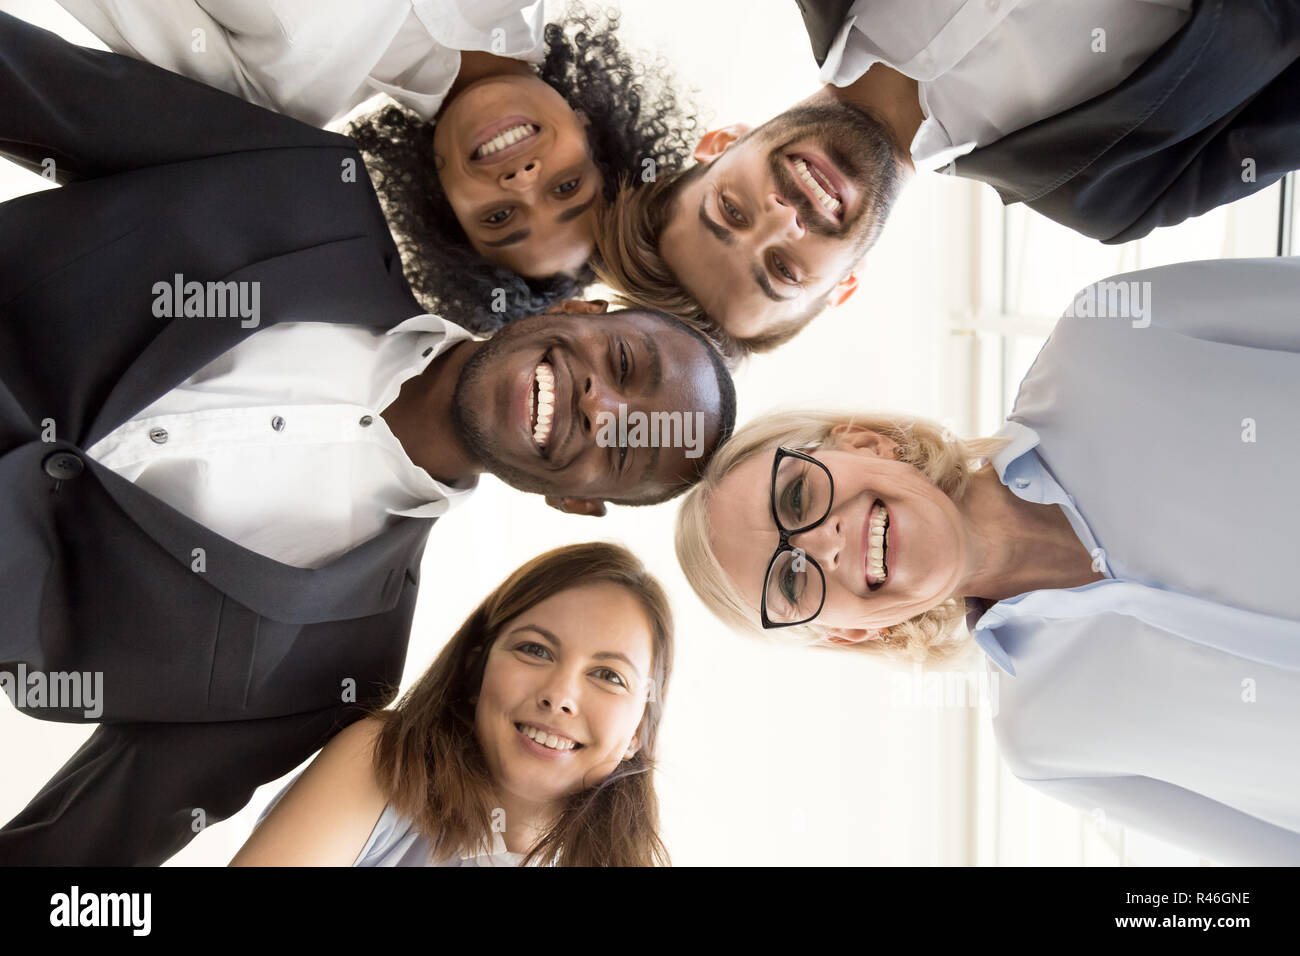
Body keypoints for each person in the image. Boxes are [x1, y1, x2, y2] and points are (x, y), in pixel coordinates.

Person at [0, 11, 734, 865]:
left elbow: (85, 848)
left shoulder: (332, 672)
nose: (596, 403)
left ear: (573, 499)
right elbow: (38, 89)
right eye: (625, 363)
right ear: (577, 311)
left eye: (625, 446)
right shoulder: (311, 190)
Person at [674, 257, 1300, 865]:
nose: (824, 543)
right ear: (850, 631)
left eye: (797, 496)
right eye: (789, 579)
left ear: (865, 441)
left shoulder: (1108, 337)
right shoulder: (1049, 745)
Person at [596, 0, 1300, 361]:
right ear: (843, 284)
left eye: (732, 209)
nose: (786, 219)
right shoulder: (1119, 194)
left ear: (718, 144)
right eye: (780, 268)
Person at [53, 0, 699, 330]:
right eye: (567, 185)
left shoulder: (268, 95)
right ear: (592, 133)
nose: (523, 181)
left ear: (445, 206)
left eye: (502, 218)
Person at [231, 542, 673, 867]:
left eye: (609, 676)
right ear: (474, 671)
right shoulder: (384, 760)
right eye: (535, 650)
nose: (559, 696)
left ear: (637, 733)